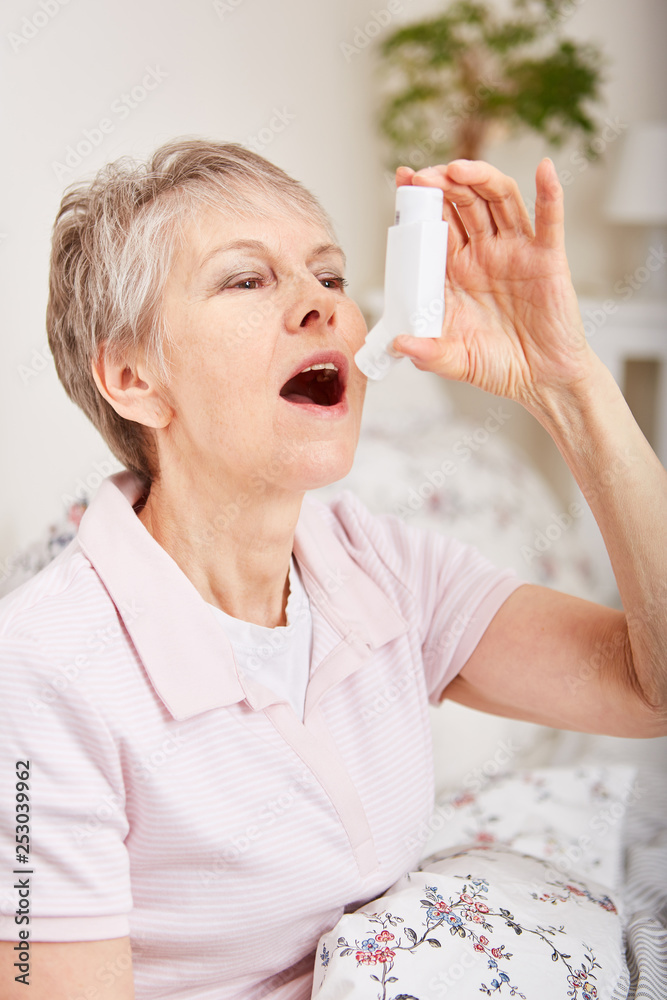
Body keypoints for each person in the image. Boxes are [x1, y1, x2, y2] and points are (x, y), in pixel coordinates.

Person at [0, 138, 665, 1000]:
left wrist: (567, 383)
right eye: (247, 280)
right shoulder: (42, 669)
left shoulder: (376, 564)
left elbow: (651, 687)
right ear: (134, 379)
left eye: (332, 278)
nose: (321, 307)